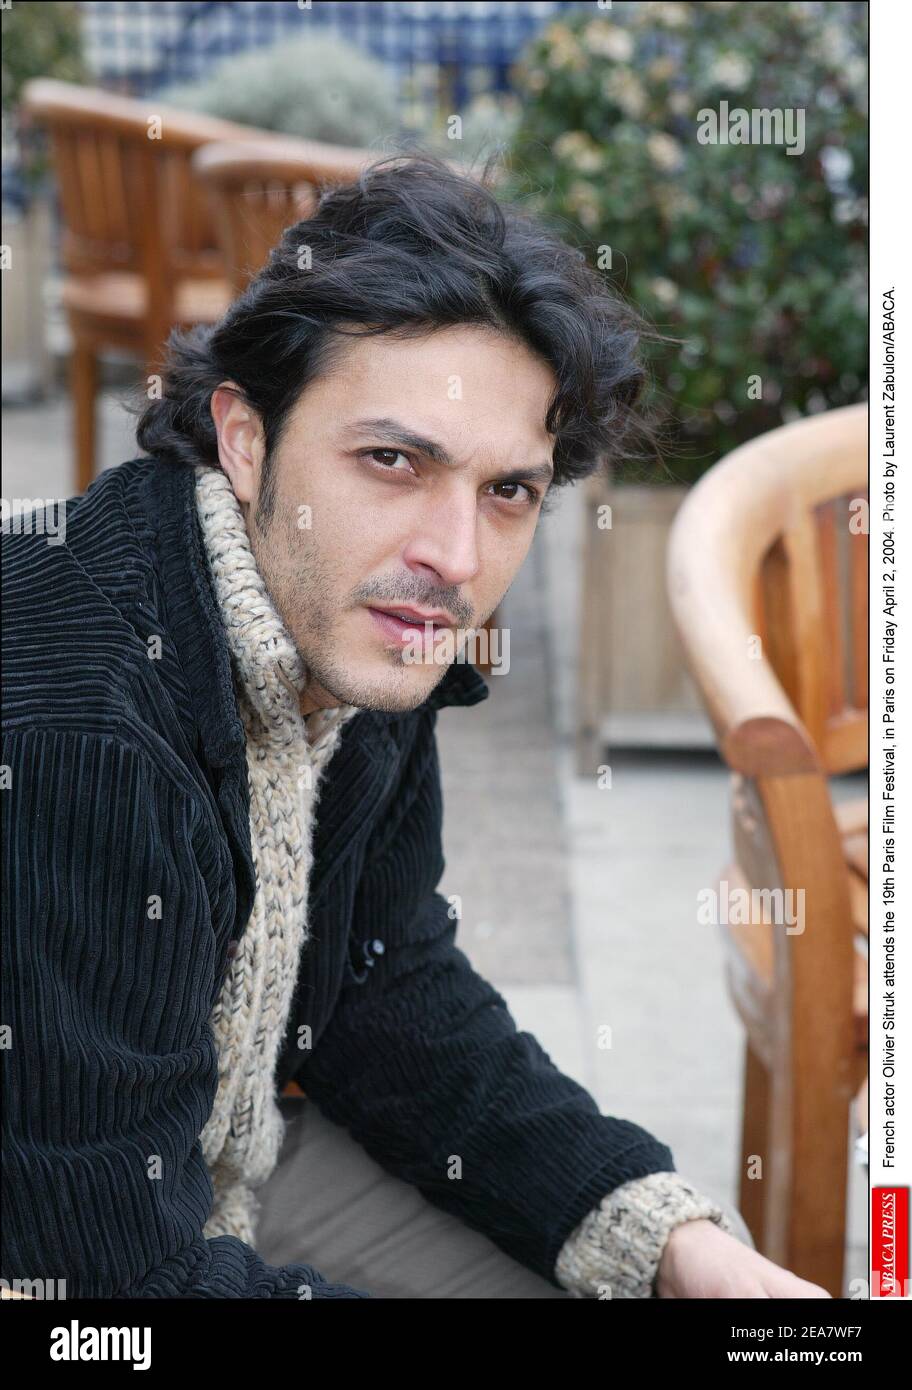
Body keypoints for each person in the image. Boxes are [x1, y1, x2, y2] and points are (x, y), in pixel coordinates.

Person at [1, 153, 828, 1299]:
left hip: (216, 1150)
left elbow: (383, 987)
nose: (454, 556)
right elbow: (98, 1291)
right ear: (244, 439)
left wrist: (669, 1241)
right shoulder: (80, 730)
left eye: (508, 491)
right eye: (392, 460)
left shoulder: (353, 623)